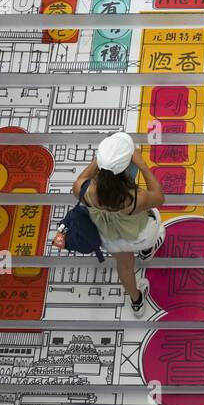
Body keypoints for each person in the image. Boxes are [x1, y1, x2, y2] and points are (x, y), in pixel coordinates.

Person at [69, 131, 166, 316]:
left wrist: (99, 160)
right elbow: (159, 197)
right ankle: (147, 251)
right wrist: (143, 166)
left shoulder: (85, 191)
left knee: (125, 266)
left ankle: (136, 301)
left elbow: (79, 182)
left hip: (110, 238)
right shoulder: (134, 198)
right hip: (139, 237)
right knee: (158, 226)